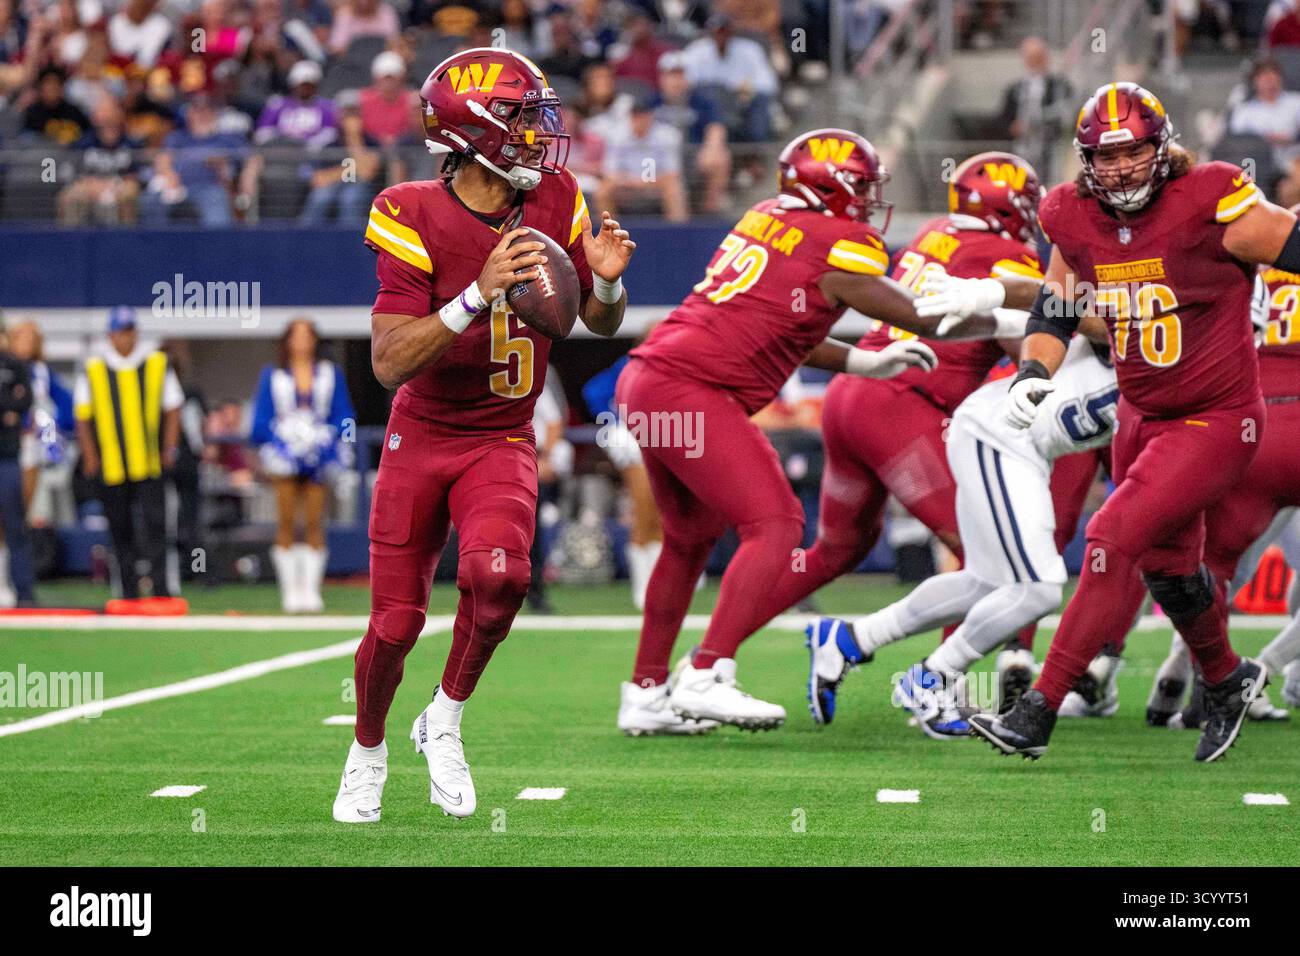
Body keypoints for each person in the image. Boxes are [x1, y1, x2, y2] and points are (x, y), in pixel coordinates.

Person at [924, 82, 1300, 762]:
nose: (1120, 168)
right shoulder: (1072, 213)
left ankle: (1038, 710)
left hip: (1216, 417)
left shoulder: (1213, 198)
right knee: (1170, 568)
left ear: (1161, 147)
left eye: (1133, 152)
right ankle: (1226, 678)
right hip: (1140, 412)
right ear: (1085, 160)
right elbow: (1058, 307)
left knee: (1109, 538)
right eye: (1105, 156)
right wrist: (1035, 374)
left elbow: (1291, 242)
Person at [614, 128, 1009, 737]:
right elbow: (921, 315)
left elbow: (780, 322)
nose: (873, 200)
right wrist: (1003, 299)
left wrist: (860, 361)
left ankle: (644, 691)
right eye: (866, 187)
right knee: (775, 524)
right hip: (691, 390)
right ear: (839, 188)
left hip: (647, 382)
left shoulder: (767, 215)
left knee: (689, 539)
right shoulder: (840, 241)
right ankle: (708, 673)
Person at [333, 48, 634, 824]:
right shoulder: (409, 209)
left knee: (501, 579)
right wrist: (475, 294)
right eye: (524, 118)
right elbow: (391, 361)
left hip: (502, 437)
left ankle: (446, 716)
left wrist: (603, 281)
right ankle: (367, 750)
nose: (541, 135)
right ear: (477, 130)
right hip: (422, 436)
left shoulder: (559, 195)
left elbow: (592, 321)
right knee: (395, 624)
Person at [806, 335, 1139, 737]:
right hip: (1001, 438)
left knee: (986, 582)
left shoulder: (1188, 368)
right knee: (1039, 589)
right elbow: (1060, 311)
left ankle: (852, 638)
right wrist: (987, 300)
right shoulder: (1129, 321)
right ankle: (932, 678)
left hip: (1011, 442)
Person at [74, 306, 184, 601]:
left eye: (130, 331)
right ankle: (127, 588)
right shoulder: (95, 368)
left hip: (148, 461)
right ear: (111, 335)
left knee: (156, 526)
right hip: (111, 463)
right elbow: (82, 417)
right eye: (120, 332)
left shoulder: (156, 363)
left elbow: (173, 409)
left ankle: (161, 587)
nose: (126, 338)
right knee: (120, 528)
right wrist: (90, 456)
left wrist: (169, 448)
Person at [250, 319, 355, 613]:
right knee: (285, 521)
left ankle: (310, 590)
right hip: (284, 453)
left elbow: (345, 416)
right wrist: (281, 436)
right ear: (287, 341)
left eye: (307, 336)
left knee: (313, 520)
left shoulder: (330, 374)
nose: (301, 342)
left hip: (320, 453)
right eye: (295, 336)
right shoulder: (272, 375)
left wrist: (337, 440)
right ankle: (290, 590)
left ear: (315, 341)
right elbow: (260, 421)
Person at [997, 37, 1072, 183]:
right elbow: (1003, 118)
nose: (1035, 61)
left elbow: (1067, 112)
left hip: (1050, 148)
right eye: (1031, 57)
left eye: (1039, 57)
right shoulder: (1015, 89)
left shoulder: (1059, 86)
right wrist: (1013, 126)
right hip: (1023, 148)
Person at [0, 328, 34, 608]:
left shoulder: (15, 365)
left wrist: (11, 406)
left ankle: (24, 591)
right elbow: (12, 403)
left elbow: (25, 401)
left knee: (15, 523)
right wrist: (7, 406)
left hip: (9, 455)